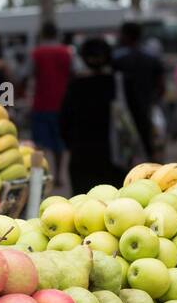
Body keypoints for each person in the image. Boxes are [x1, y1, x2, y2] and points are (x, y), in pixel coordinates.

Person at [59, 37, 126, 191]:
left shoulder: (76, 85)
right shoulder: (118, 83)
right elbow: (137, 117)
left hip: (81, 155)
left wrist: (70, 144)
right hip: (113, 155)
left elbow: (64, 120)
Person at [111, 21, 165, 159]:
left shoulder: (118, 59)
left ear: (126, 36)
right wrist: (155, 100)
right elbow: (161, 84)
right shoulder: (151, 58)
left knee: (126, 142)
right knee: (149, 140)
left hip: (124, 109)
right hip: (147, 106)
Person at [28, 22, 71, 183]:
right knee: (60, 143)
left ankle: (41, 177)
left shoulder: (36, 53)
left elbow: (25, 74)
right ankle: (59, 175)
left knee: (39, 144)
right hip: (62, 104)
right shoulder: (66, 52)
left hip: (41, 103)